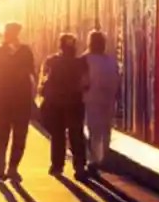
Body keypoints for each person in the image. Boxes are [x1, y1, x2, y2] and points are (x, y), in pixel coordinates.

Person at [0, 22, 35, 182]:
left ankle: (10, 168)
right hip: (6, 99)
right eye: (11, 33)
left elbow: (30, 72)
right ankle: (3, 168)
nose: (13, 35)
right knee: (4, 135)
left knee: (14, 135)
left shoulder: (23, 51)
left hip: (14, 99)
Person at [39, 33, 88, 179]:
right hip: (75, 102)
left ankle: (57, 166)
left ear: (60, 46)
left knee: (58, 135)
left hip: (55, 103)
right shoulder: (81, 63)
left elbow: (43, 80)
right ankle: (79, 166)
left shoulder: (51, 61)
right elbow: (85, 83)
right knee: (76, 135)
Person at [82, 30, 119, 177]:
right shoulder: (110, 60)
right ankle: (103, 157)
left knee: (94, 130)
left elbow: (82, 81)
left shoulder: (85, 59)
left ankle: (94, 160)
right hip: (108, 99)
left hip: (90, 99)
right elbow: (116, 79)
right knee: (105, 129)